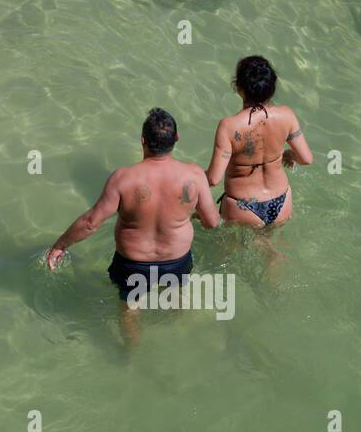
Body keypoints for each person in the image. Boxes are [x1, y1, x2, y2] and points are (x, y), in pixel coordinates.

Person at [46, 109, 219, 342]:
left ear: (143, 140)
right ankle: (182, 341)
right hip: (176, 260)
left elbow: (90, 223)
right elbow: (212, 222)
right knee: (177, 298)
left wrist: (60, 245)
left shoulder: (123, 178)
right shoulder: (195, 175)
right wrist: (189, 216)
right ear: (176, 139)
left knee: (130, 310)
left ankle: (131, 356)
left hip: (133, 265)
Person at [206, 56, 313, 229]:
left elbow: (213, 179)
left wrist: (189, 175)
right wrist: (289, 154)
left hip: (242, 207)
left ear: (238, 88)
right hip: (281, 202)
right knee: (275, 254)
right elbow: (306, 159)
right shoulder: (287, 115)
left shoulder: (229, 126)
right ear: (272, 87)